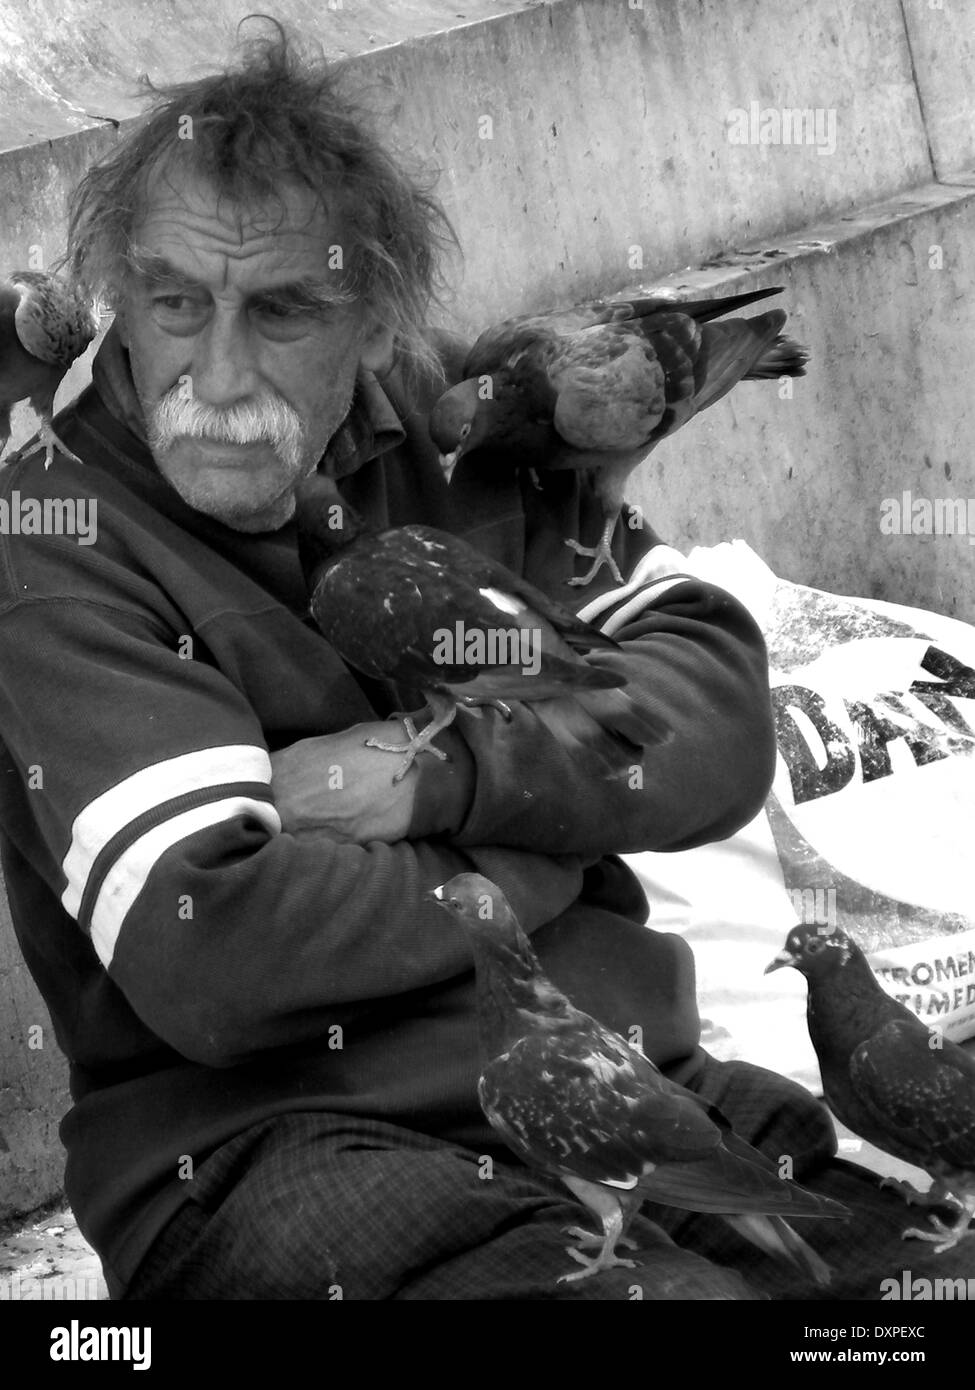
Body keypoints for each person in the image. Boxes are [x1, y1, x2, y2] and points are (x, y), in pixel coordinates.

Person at [0, 28, 968, 1301]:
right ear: (120, 294)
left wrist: (434, 784)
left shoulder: (453, 425)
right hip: (288, 1158)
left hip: (636, 1089)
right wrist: (552, 832)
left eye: (284, 308)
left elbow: (720, 729)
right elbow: (218, 948)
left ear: (375, 317)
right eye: (176, 302)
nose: (219, 373)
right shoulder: (50, 546)